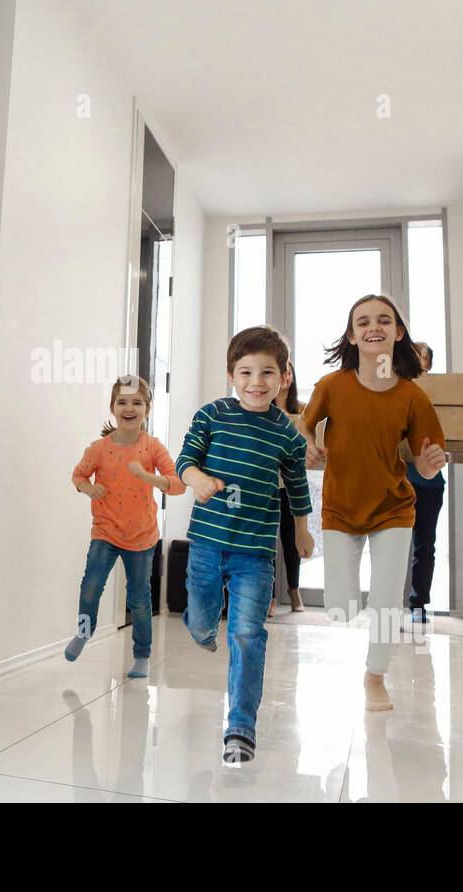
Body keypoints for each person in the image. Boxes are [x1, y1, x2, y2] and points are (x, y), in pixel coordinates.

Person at [299, 295, 445, 712]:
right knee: (342, 610)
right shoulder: (332, 386)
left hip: (394, 508)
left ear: (398, 333)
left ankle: (374, 677)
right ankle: (347, 616)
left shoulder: (412, 396)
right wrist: (309, 447)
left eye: (384, 320)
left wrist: (432, 465)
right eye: (363, 321)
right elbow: (305, 430)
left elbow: (426, 463)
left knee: (385, 602)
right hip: (341, 507)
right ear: (352, 335)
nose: (373, 326)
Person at [175, 325, 313, 763]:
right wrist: (196, 480)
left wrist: (302, 529)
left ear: (284, 378)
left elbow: (297, 486)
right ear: (231, 376)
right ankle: (199, 630)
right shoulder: (212, 415)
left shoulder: (288, 436)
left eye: (267, 373)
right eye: (246, 372)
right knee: (200, 619)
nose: (257, 382)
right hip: (206, 546)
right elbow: (185, 460)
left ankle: (240, 729)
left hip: (255, 553)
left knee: (248, 635)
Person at [66, 375, 184, 679]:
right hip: (105, 530)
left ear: (148, 408)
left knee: (139, 599)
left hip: (142, 535)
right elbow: (78, 475)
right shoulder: (98, 448)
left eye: (137, 402)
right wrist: (87, 489)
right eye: (122, 402)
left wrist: (149, 478)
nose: (129, 408)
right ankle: (84, 631)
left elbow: (178, 485)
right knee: (91, 585)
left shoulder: (152, 448)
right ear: (112, 407)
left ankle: (141, 656)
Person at [403, 342, 463, 622]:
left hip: (429, 487)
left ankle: (417, 605)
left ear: (429, 366)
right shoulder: (398, 395)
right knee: (390, 544)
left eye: (421, 359)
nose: (417, 363)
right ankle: (385, 604)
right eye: (412, 357)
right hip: (397, 483)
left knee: (424, 546)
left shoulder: (439, 401)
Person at [270, 361, 307, 616]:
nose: (285, 376)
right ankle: (269, 596)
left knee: (292, 539)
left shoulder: (302, 410)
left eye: (288, 371)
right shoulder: (262, 409)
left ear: (291, 377)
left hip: (291, 484)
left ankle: (294, 591)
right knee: (267, 542)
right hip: (266, 483)